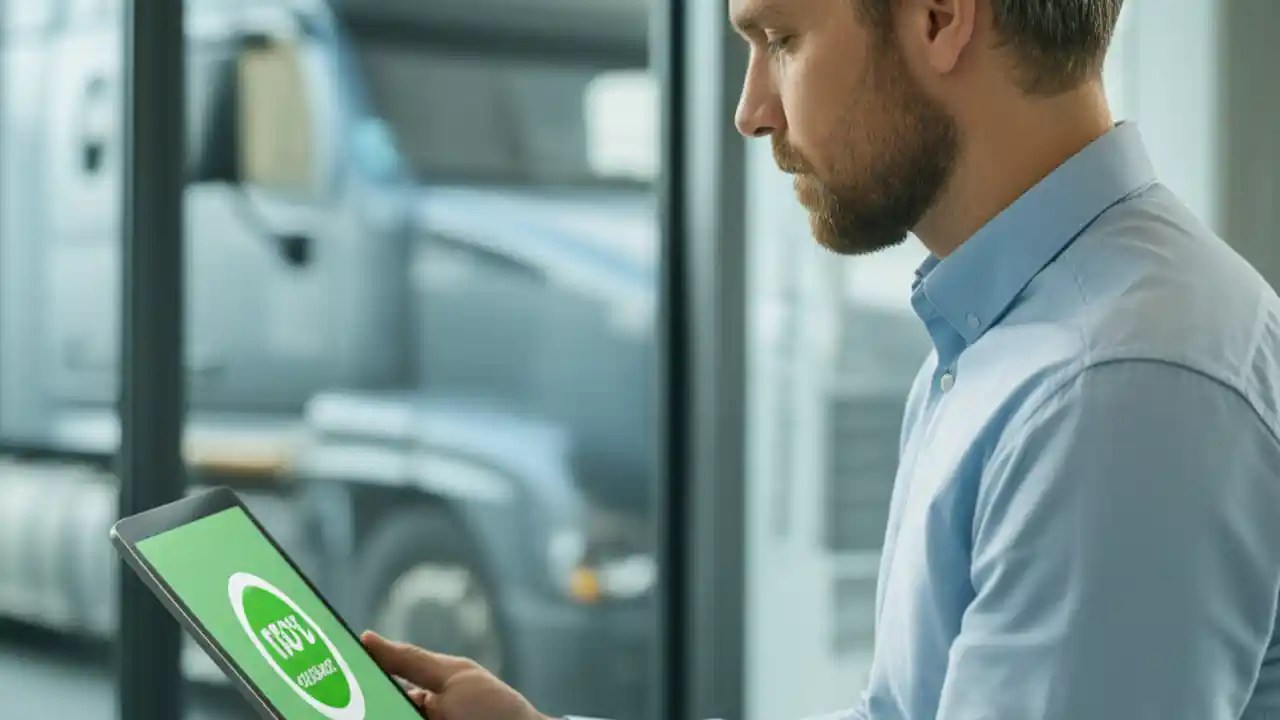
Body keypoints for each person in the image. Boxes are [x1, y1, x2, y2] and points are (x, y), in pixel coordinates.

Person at [363, 0, 1280, 717]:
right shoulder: (1013, 340)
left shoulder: (1116, 388)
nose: (750, 112)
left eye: (781, 40)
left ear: (939, 17)